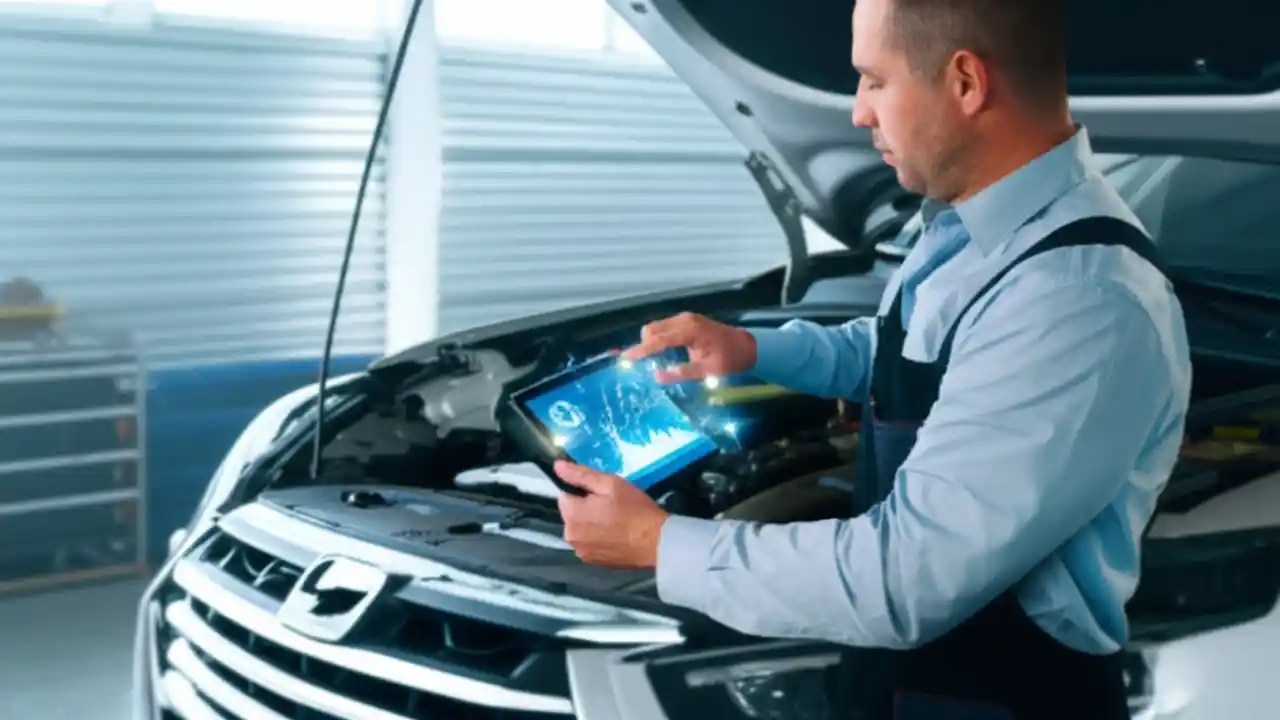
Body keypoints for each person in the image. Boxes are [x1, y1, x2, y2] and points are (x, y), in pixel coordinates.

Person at [553, 0, 1191, 716]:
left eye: (874, 80)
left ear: (966, 82)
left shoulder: (1078, 299)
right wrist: (752, 348)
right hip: (907, 684)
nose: (859, 112)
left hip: (1001, 698)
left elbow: (903, 580)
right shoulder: (973, 230)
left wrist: (660, 544)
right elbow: (907, 352)